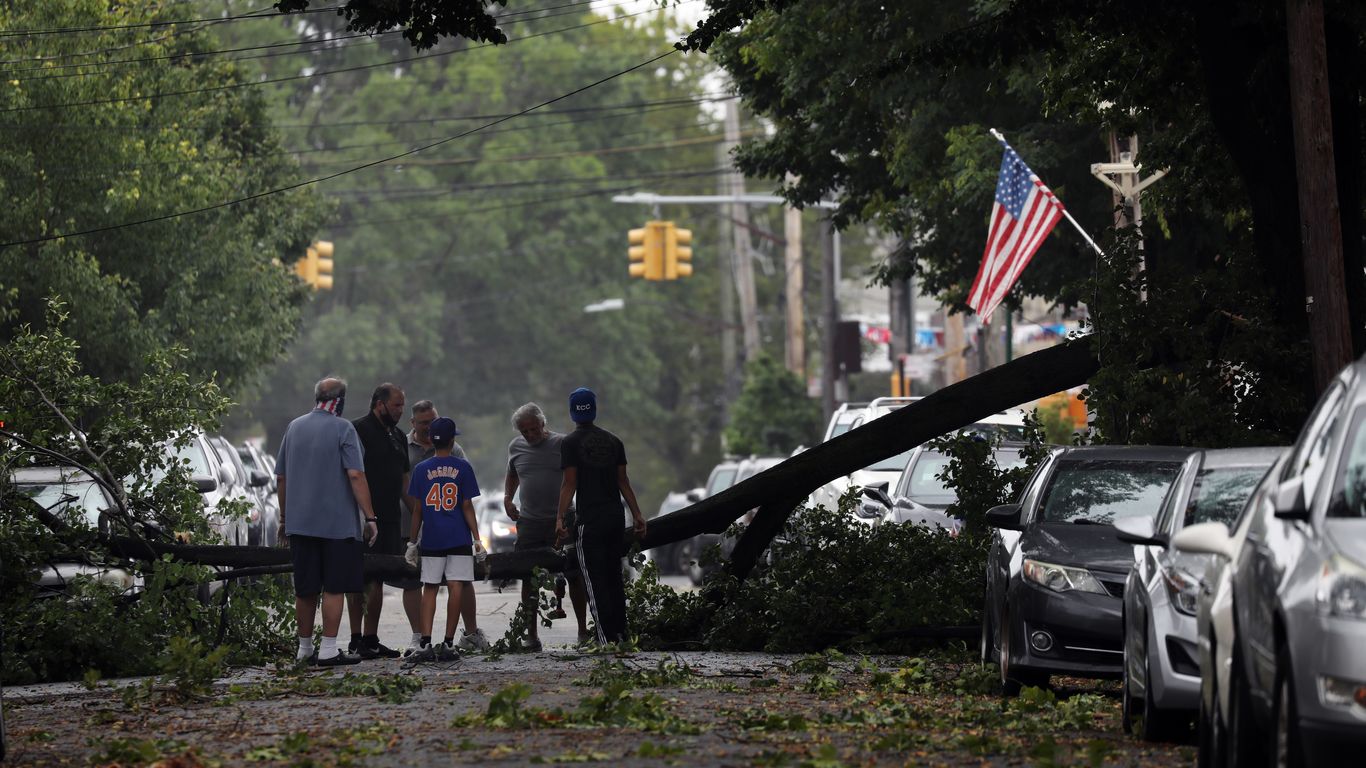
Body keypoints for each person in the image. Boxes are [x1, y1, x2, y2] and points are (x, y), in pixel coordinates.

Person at [274, 376, 377, 667]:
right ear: (340, 400)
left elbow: (281, 477)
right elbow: (355, 475)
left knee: (305, 588)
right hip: (337, 525)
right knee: (334, 586)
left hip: (300, 523)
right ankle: (329, 649)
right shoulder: (343, 428)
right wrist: (370, 517)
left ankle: (304, 650)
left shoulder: (294, 427)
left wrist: (284, 517)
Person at [555, 388, 646, 646]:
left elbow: (569, 483)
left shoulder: (570, 443)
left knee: (594, 581)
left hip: (590, 521)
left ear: (573, 412)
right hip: (615, 519)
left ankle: (606, 640)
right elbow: (623, 481)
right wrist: (638, 514)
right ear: (594, 409)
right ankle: (621, 636)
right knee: (614, 577)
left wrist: (560, 518)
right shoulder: (614, 441)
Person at [505, 402, 590, 650]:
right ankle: (531, 636)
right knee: (529, 577)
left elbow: (574, 480)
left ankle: (583, 632)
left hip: (563, 519)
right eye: (524, 431)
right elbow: (512, 475)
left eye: (533, 429)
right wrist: (508, 498)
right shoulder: (515, 447)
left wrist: (562, 516)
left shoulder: (563, 444)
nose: (530, 435)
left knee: (574, 573)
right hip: (529, 522)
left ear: (543, 424)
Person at [405, 400, 485, 654]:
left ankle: (425, 641)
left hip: (431, 538)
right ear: (452, 441)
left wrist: (411, 541)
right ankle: (449, 642)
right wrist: (477, 538)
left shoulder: (420, 469)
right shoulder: (462, 467)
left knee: (429, 587)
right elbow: (467, 507)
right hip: (458, 536)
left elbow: (417, 509)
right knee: (456, 585)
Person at [347, 383, 410, 659]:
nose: (400, 411)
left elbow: (405, 481)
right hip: (363, 517)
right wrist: (363, 514)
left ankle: (371, 640)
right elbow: (351, 474)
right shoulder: (358, 430)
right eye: (396, 405)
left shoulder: (398, 436)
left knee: (380, 578)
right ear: (379, 403)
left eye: (402, 406)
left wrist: (420, 513)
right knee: (359, 578)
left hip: (391, 518)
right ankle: (355, 638)